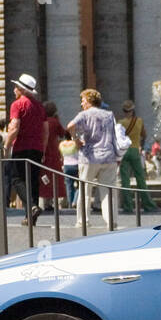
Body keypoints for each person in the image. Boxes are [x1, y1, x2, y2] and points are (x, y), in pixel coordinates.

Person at [66, 88, 120, 229]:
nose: (82, 104)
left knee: (85, 190)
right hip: (109, 157)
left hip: (89, 157)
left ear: (89, 101)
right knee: (108, 191)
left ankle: (83, 220)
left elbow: (70, 126)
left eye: (83, 101)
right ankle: (111, 220)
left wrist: (75, 139)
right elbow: (114, 136)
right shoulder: (109, 115)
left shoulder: (84, 114)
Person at [5, 73, 47, 225]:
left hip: (21, 147)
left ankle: (32, 207)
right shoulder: (40, 106)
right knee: (33, 181)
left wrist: (6, 146)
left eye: (16, 87)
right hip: (37, 148)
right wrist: (43, 148)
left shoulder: (17, 104)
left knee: (17, 180)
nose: (14, 90)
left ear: (22, 89)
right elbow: (45, 129)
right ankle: (30, 217)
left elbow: (14, 127)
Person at [116, 100, 155, 211]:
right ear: (133, 111)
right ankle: (148, 205)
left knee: (125, 180)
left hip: (124, 151)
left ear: (124, 111)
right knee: (140, 178)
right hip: (135, 150)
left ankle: (128, 206)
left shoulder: (120, 122)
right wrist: (139, 144)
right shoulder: (139, 121)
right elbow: (144, 135)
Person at [39, 101, 64, 212]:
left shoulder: (41, 121)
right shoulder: (55, 122)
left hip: (43, 152)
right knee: (54, 177)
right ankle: (51, 201)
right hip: (53, 153)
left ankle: (45, 201)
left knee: (44, 177)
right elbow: (62, 133)